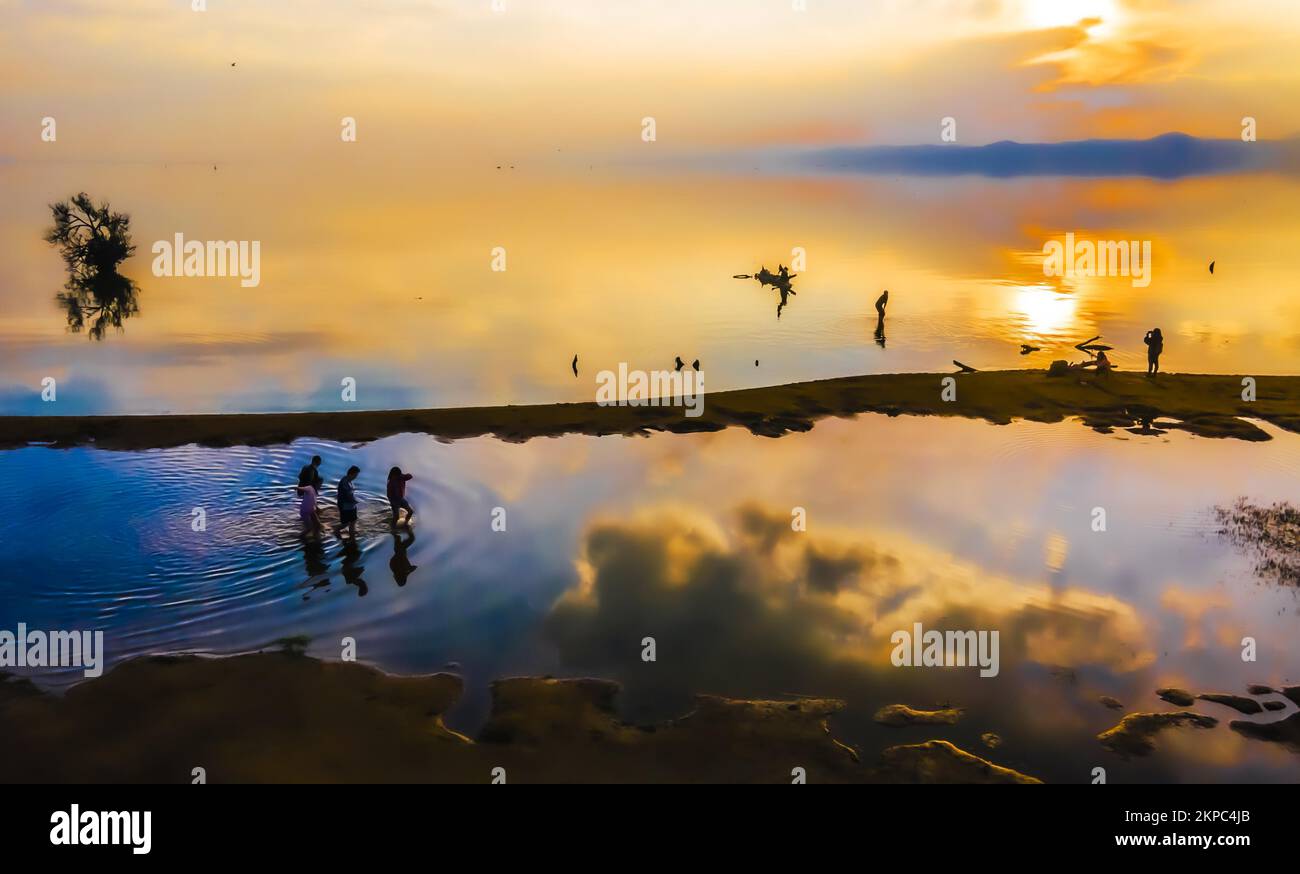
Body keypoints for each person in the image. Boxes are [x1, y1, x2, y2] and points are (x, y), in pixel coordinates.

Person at [334, 465, 361, 539]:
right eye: (355, 475)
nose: (356, 477)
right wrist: (355, 501)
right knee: (345, 523)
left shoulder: (350, 481)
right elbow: (347, 495)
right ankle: (336, 530)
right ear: (351, 474)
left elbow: (351, 494)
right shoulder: (344, 482)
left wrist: (355, 502)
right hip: (345, 505)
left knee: (353, 521)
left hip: (351, 505)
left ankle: (352, 536)